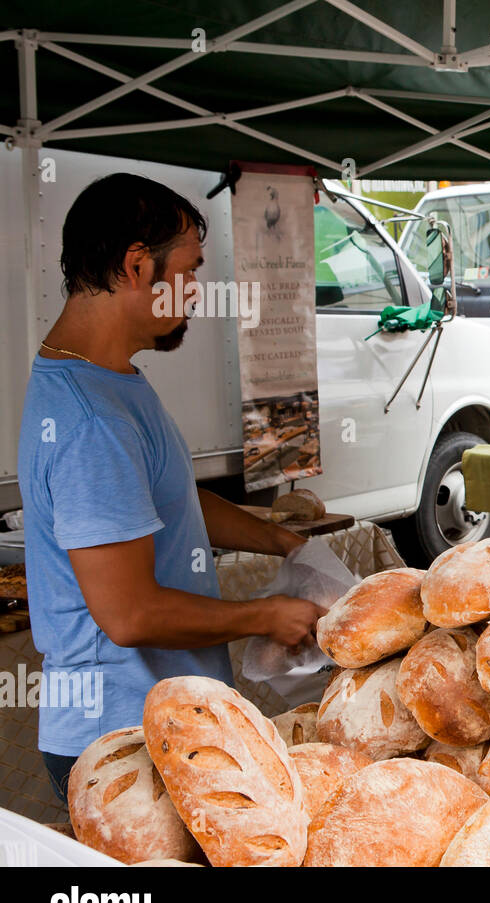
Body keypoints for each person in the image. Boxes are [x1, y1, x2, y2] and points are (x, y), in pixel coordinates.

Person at [17, 174, 324, 802]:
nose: (196, 293)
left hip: (164, 721)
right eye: (189, 271)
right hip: (120, 740)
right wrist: (266, 614)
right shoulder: (90, 418)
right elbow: (129, 614)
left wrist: (279, 539)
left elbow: (169, 497)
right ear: (136, 266)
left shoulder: (109, 380)